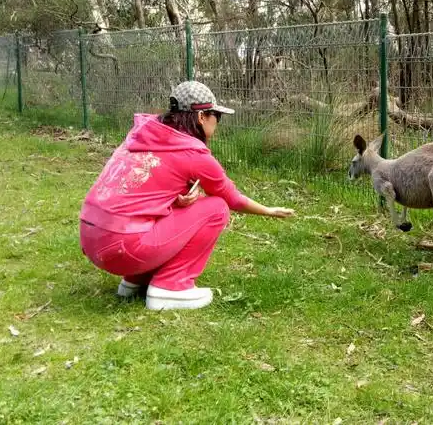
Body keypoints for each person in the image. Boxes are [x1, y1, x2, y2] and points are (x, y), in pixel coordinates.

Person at [78, 81, 295, 311]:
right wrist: (268, 211)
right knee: (216, 208)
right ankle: (171, 287)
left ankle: (136, 280)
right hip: (123, 249)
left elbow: (142, 192)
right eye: (216, 117)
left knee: (178, 206)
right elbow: (231, 198)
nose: (217, 124)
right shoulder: (192, 152)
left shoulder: (142, 135)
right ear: (202, 116)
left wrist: (177, 199)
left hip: (91, 241)